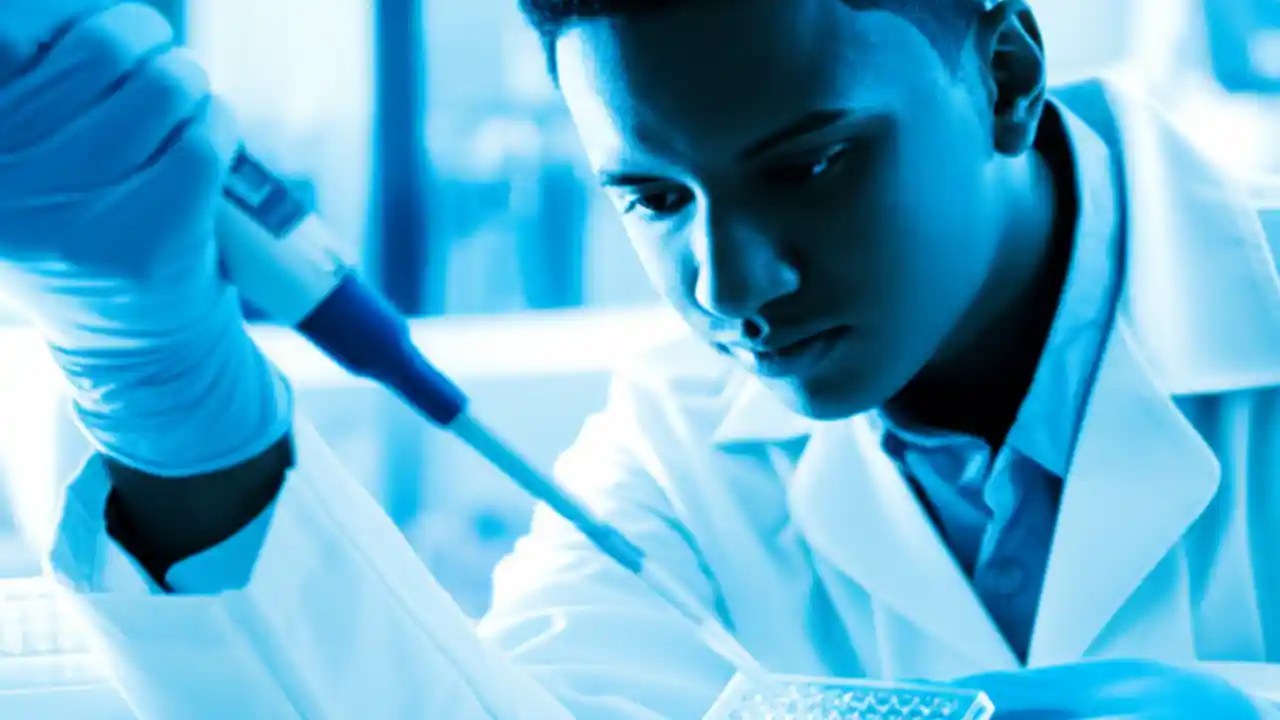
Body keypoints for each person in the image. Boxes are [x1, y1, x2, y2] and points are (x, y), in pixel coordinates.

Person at [1, 0, 1279, 717]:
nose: (730, 288)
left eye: (810, 167)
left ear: (1002, 77)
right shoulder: (675, 450)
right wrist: (163, 379)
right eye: (655, 199)